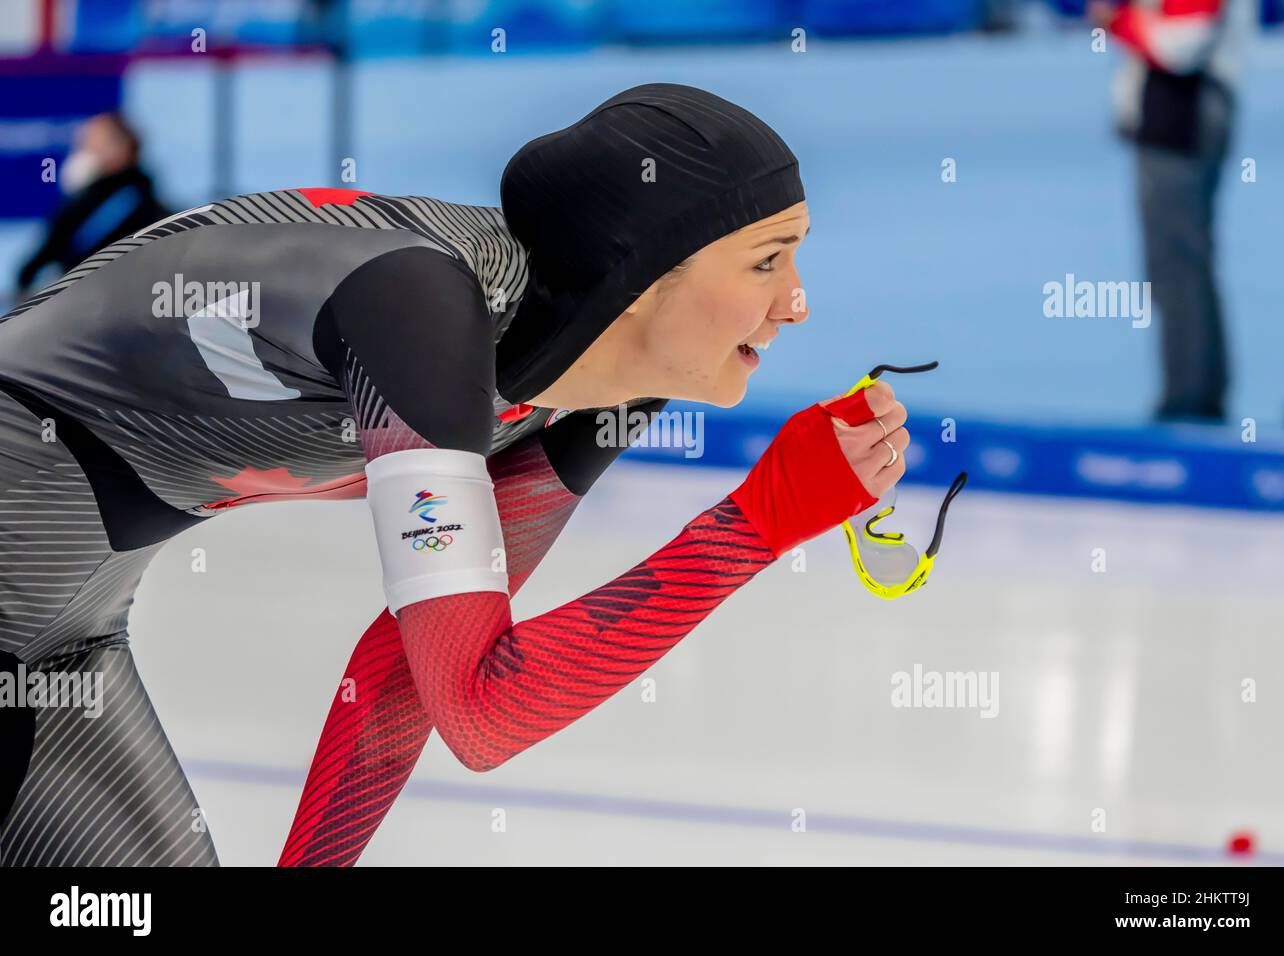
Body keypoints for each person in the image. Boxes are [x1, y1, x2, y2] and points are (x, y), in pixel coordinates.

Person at [0, 84, 911, 867]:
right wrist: (755, 524)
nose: (797, 303)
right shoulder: (418, 305)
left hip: (61, 640)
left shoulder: (608, 389)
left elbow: (420, 665)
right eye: (766, 260)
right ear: (644, 275)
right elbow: (487, 714)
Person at [1089, 0, 1255, 423]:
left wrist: (1118, 21)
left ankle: (1190, 403)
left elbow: (1182, 43)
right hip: (1177, 108)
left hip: (1182, 108)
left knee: (1177, 262)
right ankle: (1196, 396)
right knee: (1180, 262)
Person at [14, 112, 169, 300]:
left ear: (121, 150)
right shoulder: (94, 200)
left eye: (90, 143)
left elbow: (43, 258)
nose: (82, 152)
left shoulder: (129, 205)